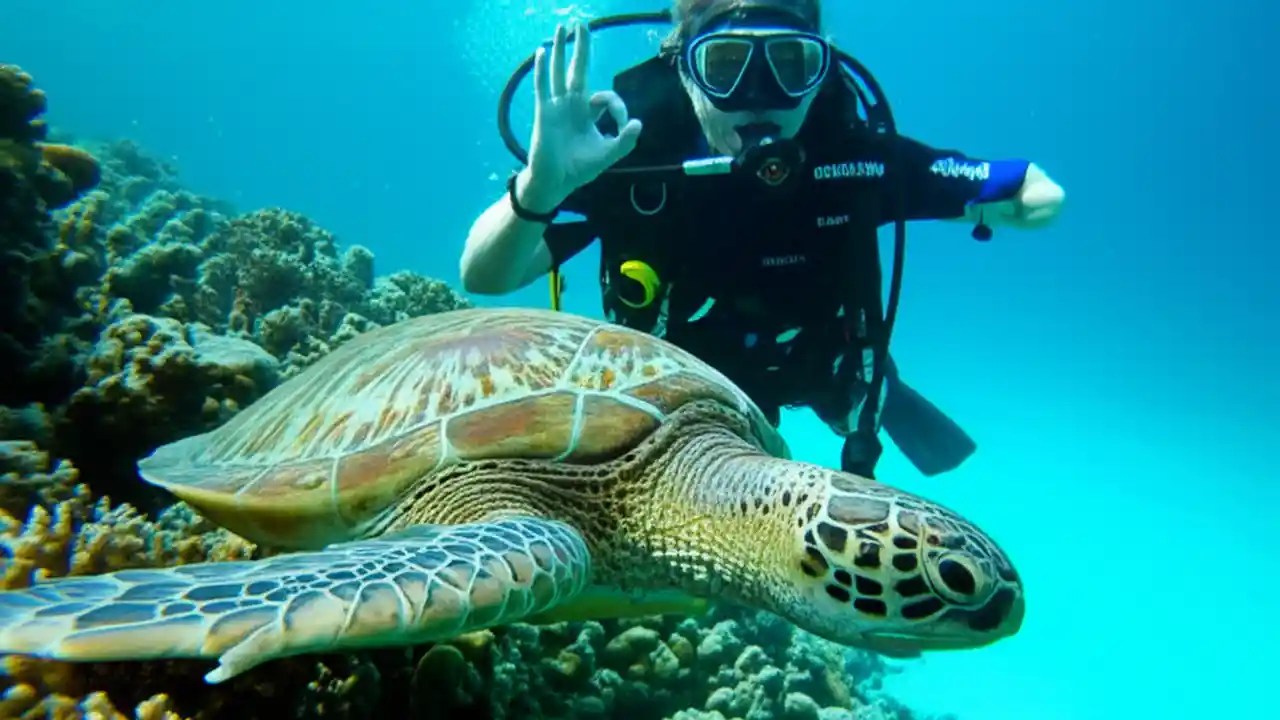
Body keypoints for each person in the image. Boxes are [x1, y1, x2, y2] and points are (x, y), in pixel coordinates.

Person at [460, 0, 1065, 479]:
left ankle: (865, 401)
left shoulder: (853, 158)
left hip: (817, 363)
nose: (758, 97)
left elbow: (1028, 186)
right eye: (724, 66)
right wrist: (540, 189)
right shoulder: (627, 156)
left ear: (819, 71)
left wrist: (1013, 207)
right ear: (683, 68)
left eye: (790, 66)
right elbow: (484, 275)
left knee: (861, 396)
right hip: (674, 390)